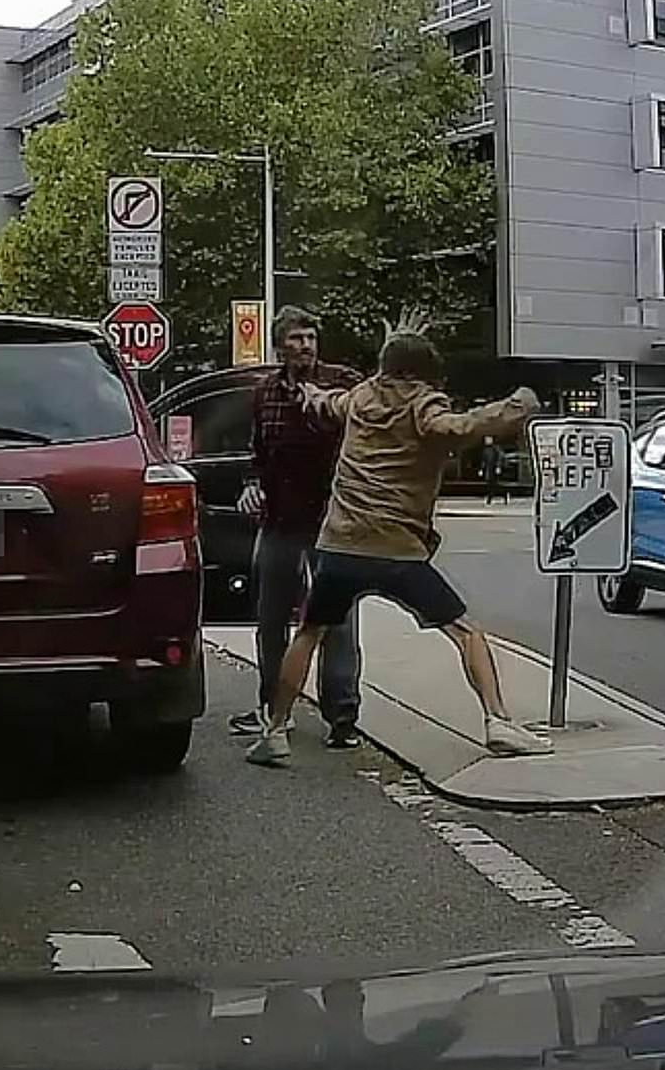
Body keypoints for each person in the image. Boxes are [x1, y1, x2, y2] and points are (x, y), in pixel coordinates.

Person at [247, 313, 550, 767]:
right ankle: (498, 722)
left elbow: (324, 402)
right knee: (466, 632)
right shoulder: (425, 406)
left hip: (341, 544)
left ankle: (275, 729)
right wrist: (520, 404)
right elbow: (466, 426)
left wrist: (309, 394)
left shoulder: (359, 397)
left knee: (309, 632)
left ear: (387, 368)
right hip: (397, 550)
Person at [234, 305, 366, 749]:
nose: (305, 345)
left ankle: (342, 716)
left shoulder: (342, 383)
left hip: (333, 518)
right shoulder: (265, 392)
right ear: (279, 345)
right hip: (279, 518)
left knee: (337, 619)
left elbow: (364, 439)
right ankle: (274, 707)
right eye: (296, 338)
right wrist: (251, 485)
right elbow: (257, 451)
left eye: (310, 337)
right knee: (271, 617)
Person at [480, 437, 504, 505]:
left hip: (494, 468)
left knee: (494, 484)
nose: (486, 441)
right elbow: (483, 460)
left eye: (488, 440)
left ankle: (491, 498)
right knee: (490, 484)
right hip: (488, 469)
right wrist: (481, 469)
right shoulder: (485, 450)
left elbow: (500, 457)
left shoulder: (495, 448)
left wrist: (498, 466)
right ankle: (490, 497)